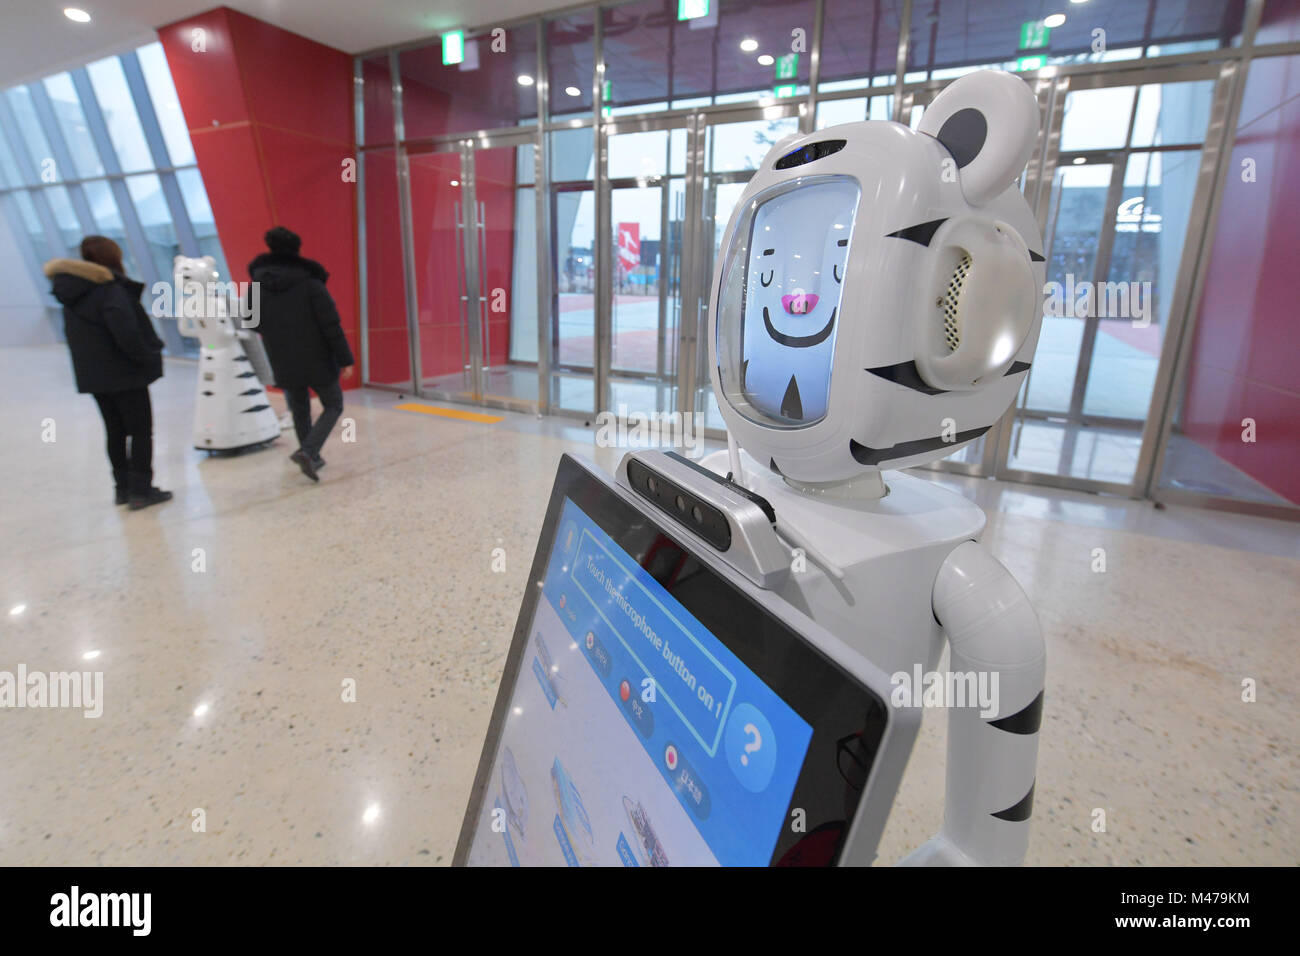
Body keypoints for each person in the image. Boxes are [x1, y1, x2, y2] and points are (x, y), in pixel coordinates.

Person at [45, 237, 172, 510]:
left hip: (95, 377)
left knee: (114, 432)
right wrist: (148, 355)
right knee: (140, 432)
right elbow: (126, 333)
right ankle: (142, 490)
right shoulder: (110, 290)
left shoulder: (72, 294)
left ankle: (123, 489)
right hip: (125, 374)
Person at [248, 226, 354, 482]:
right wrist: (346, 360)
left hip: (282, 359)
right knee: (333, 404)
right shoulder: (311, 283)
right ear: (297, 249)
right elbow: (331, 324)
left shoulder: (256, 286)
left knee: (300, 409)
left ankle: (312, 455)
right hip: (317, 357)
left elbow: (253, 324)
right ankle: (308, 452)